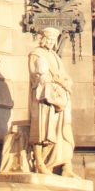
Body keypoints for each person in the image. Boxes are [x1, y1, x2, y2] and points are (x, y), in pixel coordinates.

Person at [28, 27, 74, 175]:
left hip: (58, 99)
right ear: (43, 39)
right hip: (43, 98)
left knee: (59, 131)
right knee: (41, 131)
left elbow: (64, 75)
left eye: (53, 40)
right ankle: (39, 163)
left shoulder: (55, 56)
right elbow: (38, 76)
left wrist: (66, 82)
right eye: (48, 39)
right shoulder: (36, 54)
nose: (50, 42)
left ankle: (60, 165)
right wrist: (58, 80)